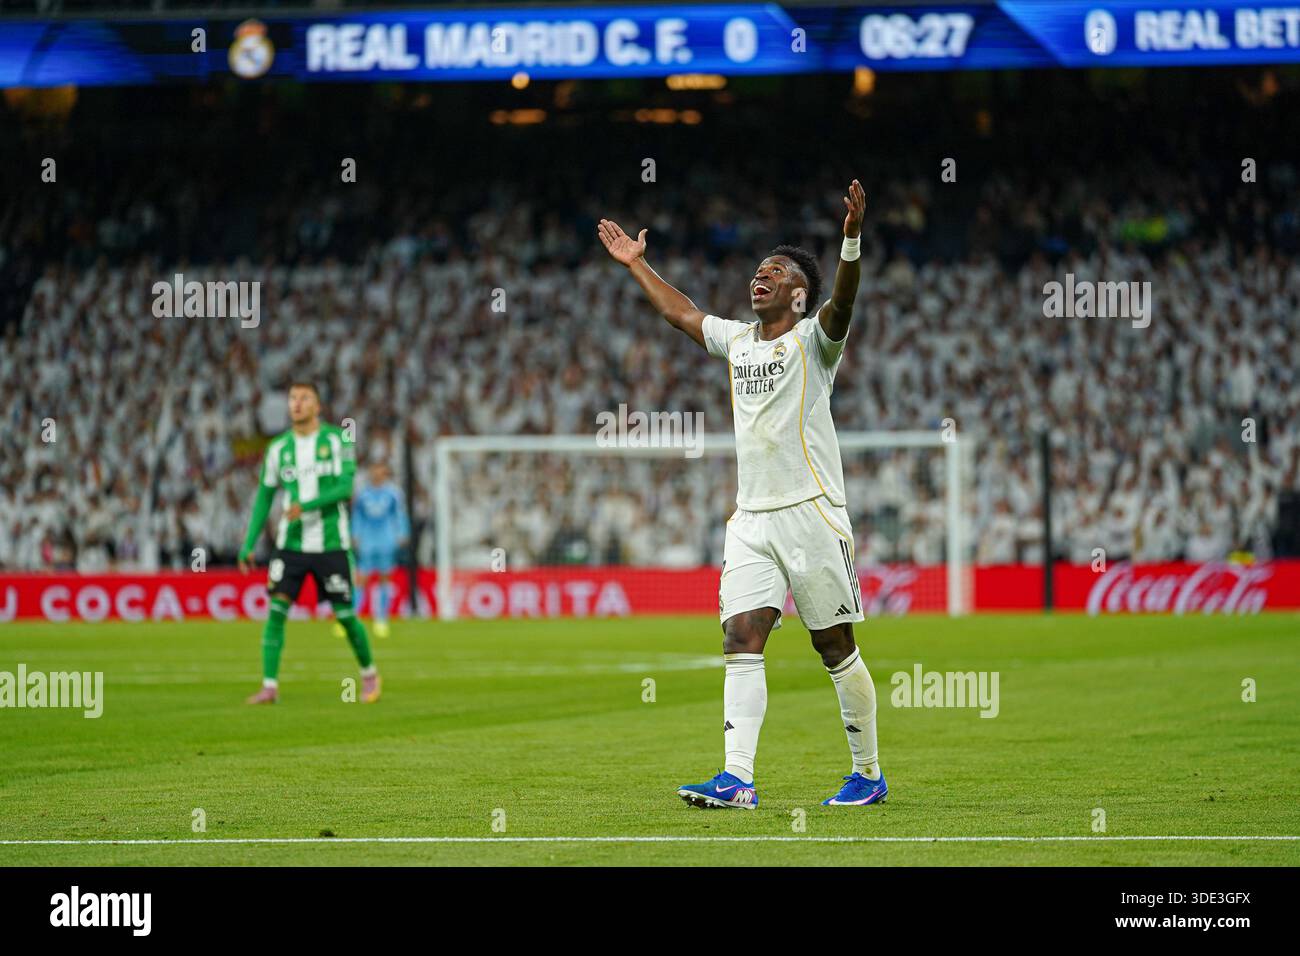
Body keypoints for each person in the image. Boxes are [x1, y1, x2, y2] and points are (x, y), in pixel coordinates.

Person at [597, 179, 885, 808]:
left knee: (834, 646)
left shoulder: (814, 340)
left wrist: (852, 240)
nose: (761, 277)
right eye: (759, 271)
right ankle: (737, 779)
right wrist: (636, 264)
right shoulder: (737, 340)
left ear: (798, 294)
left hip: (811, 512)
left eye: (775, 273)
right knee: (741, 635)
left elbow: (844, 303)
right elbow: (680, 311)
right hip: (751, 517)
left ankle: (867, 772)